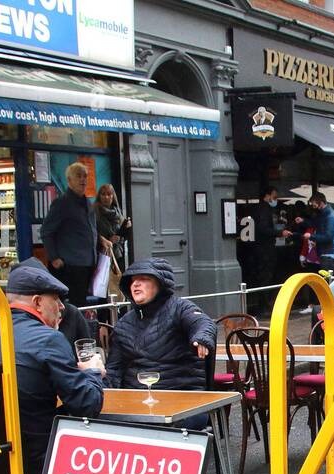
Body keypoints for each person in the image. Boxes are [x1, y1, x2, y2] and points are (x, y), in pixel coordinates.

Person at [0, 259, 105, 474]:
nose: (61, 307)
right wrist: (92, 372)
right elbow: (88, 405)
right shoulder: (48, 339)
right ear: (38, 302)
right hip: (37, 466)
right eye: (56, 300)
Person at [105, 259, 217, 429]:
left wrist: (202, 337)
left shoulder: (180, 308)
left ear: (160, 284)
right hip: (137, 402)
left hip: (182, 399)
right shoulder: (124, 324)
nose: (136, 284)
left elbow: (202, 322)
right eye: (133, 280)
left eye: (144, 279)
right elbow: (114, 370)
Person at [41, 162, 109, 307]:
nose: (83, 180)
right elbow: (46, 231)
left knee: (92, 304)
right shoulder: (62, 203)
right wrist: (54, 258)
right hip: (71, 265)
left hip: (89, 263)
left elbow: (90, 228)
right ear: (69, 180)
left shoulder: (88, 203)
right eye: (78, 176)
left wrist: (101, 240)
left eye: (85, 176)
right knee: (75, 306)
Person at [251, 186, 290, 314]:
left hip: (262, 247)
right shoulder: (264, 209)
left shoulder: (259, 209)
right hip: (265, 248)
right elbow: (264, 229)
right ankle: (264, 306)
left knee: (264, 276)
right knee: (266, 276)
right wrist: (279, 233)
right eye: (274, 197)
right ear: (267, 196)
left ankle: (264, 305)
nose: (275, 200)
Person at [296, 191, 334, 273]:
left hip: (329, 254)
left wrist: (311, 236)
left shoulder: (330, 216)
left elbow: (328, 236)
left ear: (321, 203)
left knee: (327, 282)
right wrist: (303, 221)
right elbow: (315, 223)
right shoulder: (323, 214)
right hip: (326, 253)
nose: (313, 207)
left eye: (314, 205)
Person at [93, 183, 131, 272]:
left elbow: (123, 236)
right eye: (103, 194)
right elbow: (90, 233)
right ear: (99, 196)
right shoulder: (94, 211)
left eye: (109, 194)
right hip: (101, 255)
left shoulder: (117, 212)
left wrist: (124, 232)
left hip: (117, 254)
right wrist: (104, 240)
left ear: (113, 196)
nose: (106, 197)